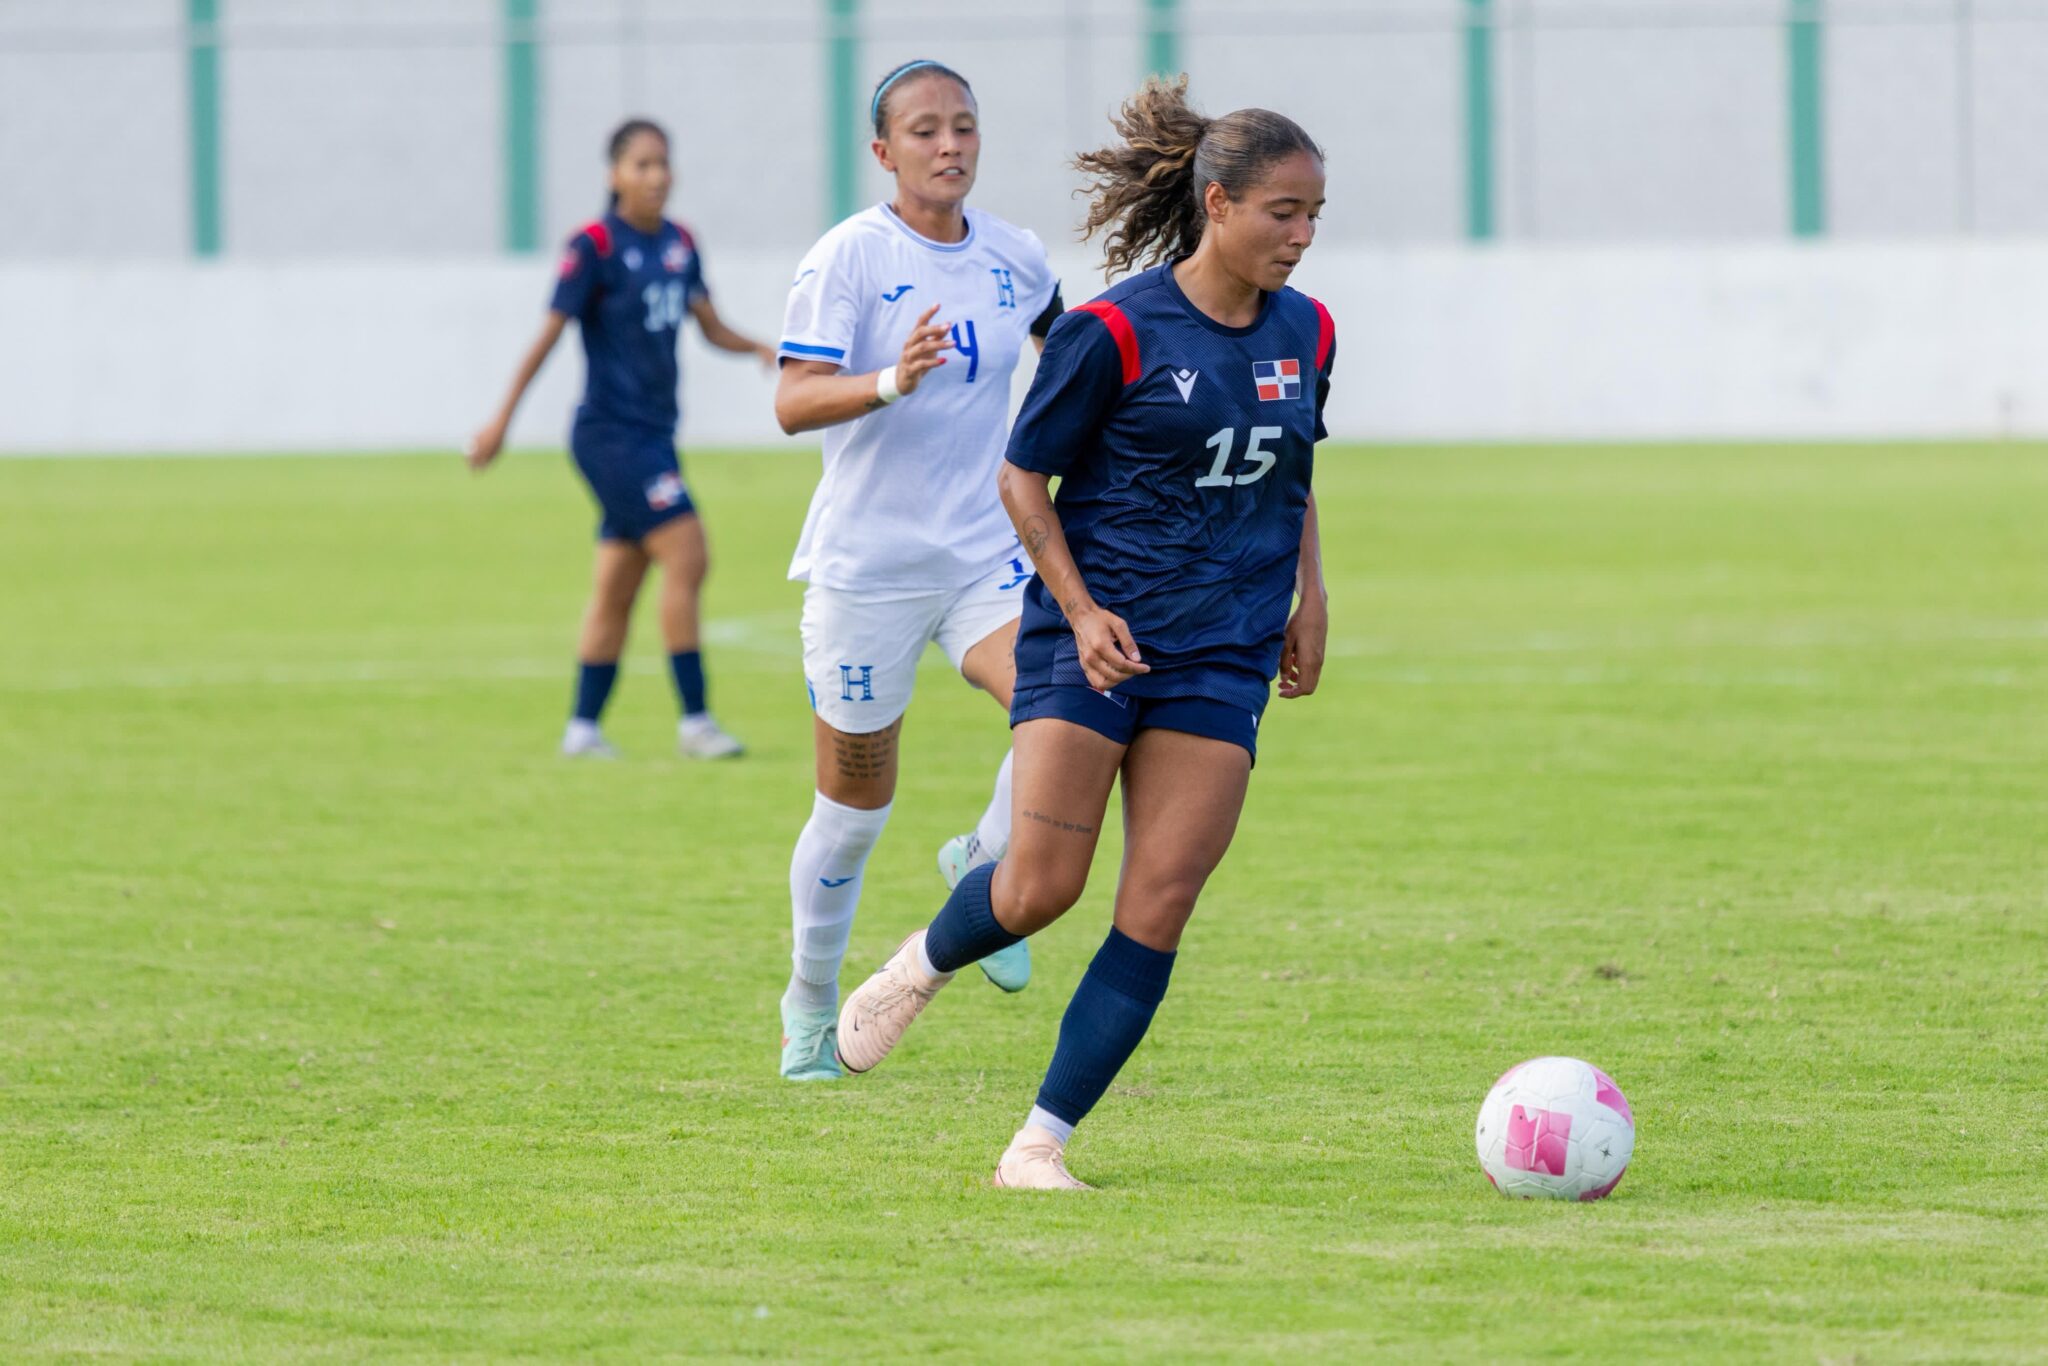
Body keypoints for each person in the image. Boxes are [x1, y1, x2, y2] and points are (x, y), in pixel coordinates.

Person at [832, 76, 1335, 1189]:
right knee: (1038, 889)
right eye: (1280, 214)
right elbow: (1021, 475)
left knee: (1157, 901)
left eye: (1312, 217)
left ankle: (1037, 1142)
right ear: (1216, 204)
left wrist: (1310, 597)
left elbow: (1292, 471)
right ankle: (923, 958)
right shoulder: (1113, 329)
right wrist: (1079, 605)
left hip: (1222, 650)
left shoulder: (1310, 328)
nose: (1300, 238)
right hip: (1092, 640)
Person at [770, 59, 1065, 1081]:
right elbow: (792, 400)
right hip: (868, 571)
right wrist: (891, 378)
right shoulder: (849, 257)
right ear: (883, 150)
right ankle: (809, 1004)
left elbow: (1070, 358)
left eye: (965, 128)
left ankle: (982, 868)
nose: (949, 146)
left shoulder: (1016, 257)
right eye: (926, 130)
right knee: (851, 816)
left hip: (985, 553)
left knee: (1062, 707)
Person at [468, 118, 772, 760]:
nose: (656, 176)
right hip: (609, 436)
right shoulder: (596, 245)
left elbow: (708, 324)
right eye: (641, 164)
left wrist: (761, 349)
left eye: (663, 163)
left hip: (654, 436)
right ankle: (696, 722)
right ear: (614, 174)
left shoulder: (681, 243)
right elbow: (549, 335)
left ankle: (582, 729)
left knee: (620, 581)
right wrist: (502, 421)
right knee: (688, 552)